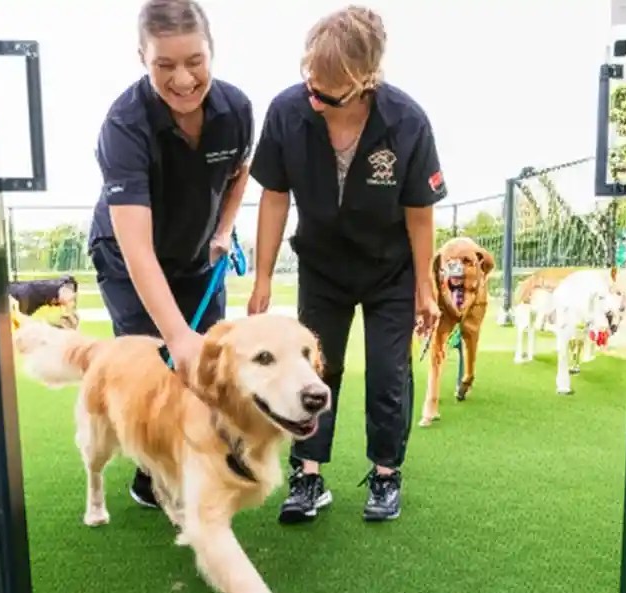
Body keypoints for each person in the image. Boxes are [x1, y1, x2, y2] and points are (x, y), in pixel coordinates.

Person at [248, 5, 446, 523]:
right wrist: (263, 277)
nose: (312, 93)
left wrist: (424, 285)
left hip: (389, 270)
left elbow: (420, 213)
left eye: (325, 89)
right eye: (308, 79)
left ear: (365, 80)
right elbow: (274, 195)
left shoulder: (405, 122)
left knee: (387, 373)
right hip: (322, 269)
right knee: (314, 371)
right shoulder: (287, 112)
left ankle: (385, 475)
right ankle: (308, 476)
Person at [88, 0, 254, 509]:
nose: (183, 79)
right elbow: (138, 250)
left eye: (194, 61)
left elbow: (239, 171)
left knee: (211, 365)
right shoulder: (124, 126)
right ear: (143, 57)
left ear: (211, 53)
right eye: (165, 65)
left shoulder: (237, 109)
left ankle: (207, 459)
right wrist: (177, 336)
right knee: (157, 363)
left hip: (198, 254)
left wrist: (224, 229)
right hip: (128, 260)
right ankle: (151, 471)